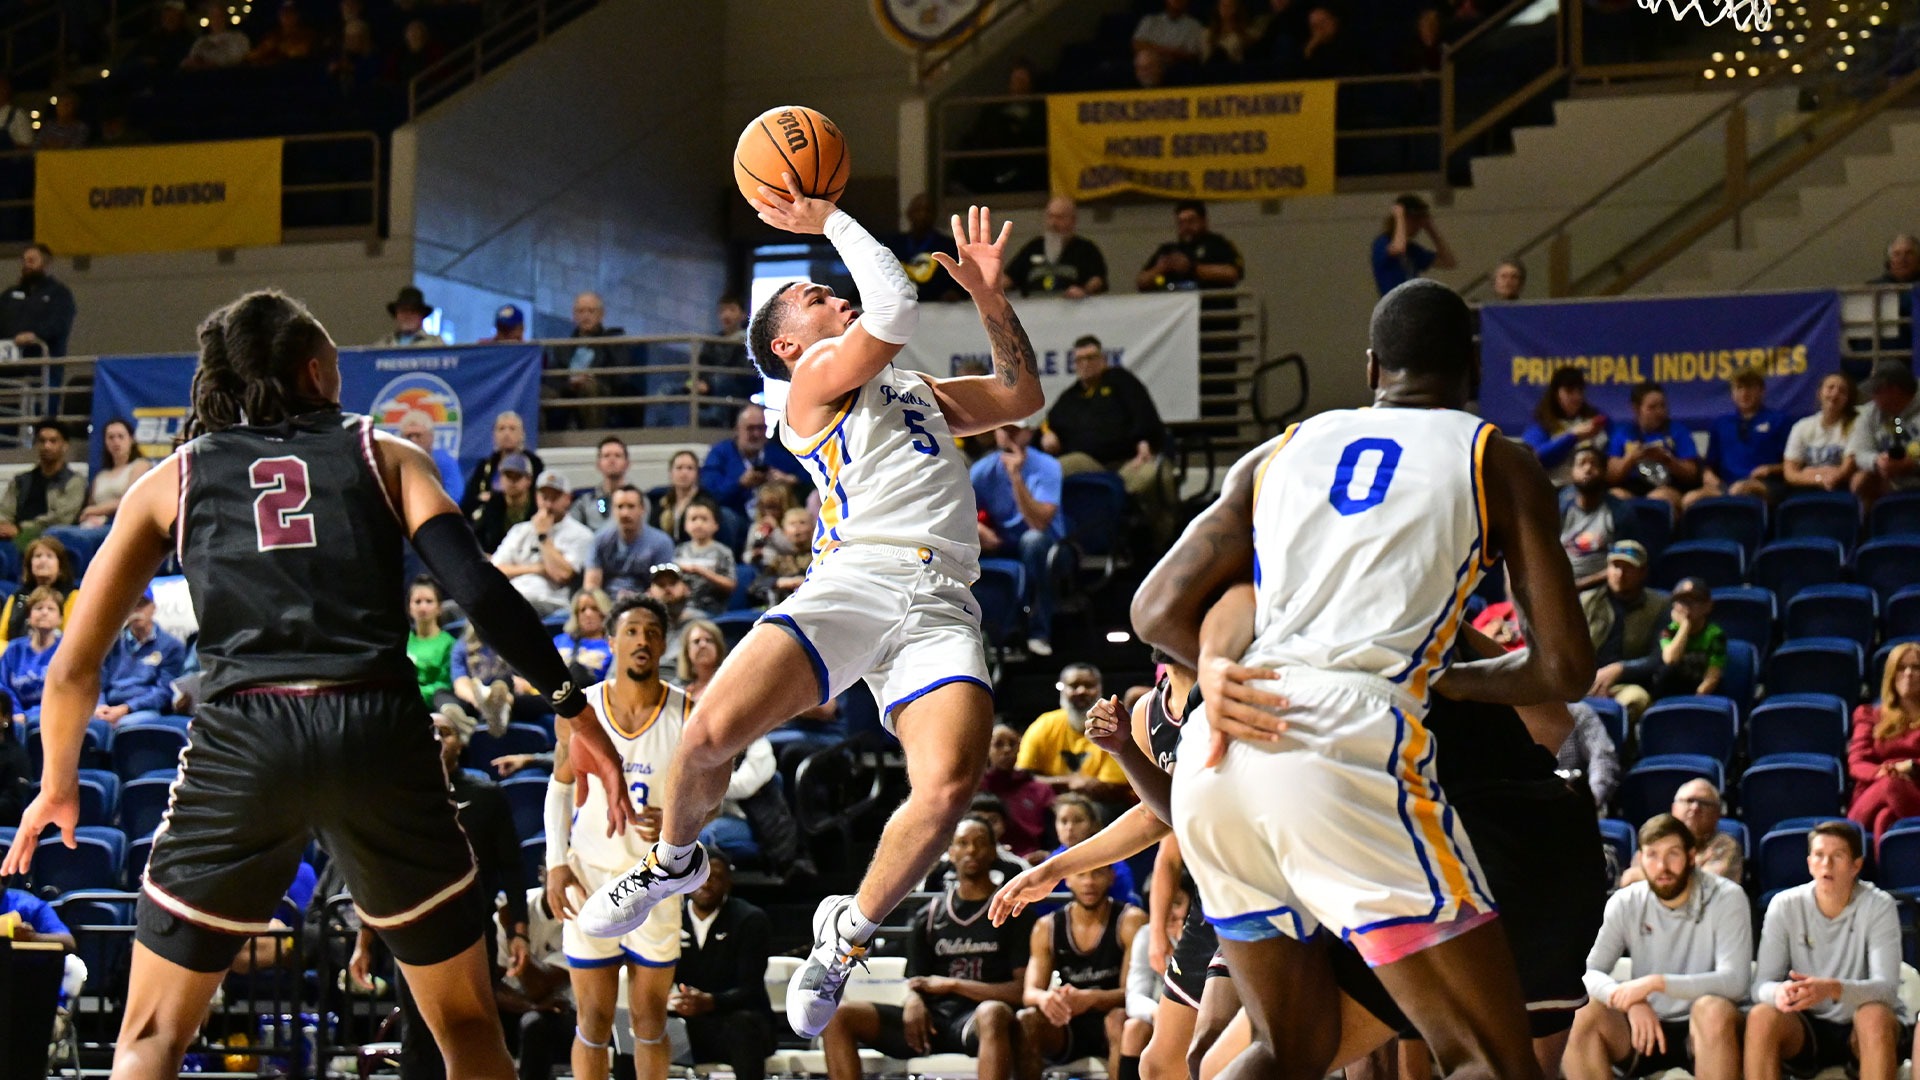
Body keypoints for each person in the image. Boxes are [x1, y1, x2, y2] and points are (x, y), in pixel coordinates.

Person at [0, 288, 634, 1080]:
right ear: (314, 370)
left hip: (245, 733)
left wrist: (58, 781)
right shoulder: (385, 453)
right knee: (469, 1026)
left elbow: (72, 665)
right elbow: (478, 588)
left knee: (150, 1038)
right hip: (377, 727)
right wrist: (573, 709)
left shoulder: (173, 479)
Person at [578, 190, 1045, 1043]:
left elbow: (1019, 397)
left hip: (942, 600)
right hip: (855, 578)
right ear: (791, 343)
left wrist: (987, 296)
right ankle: (671, 864)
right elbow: (895, 305)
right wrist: (826, 217)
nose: (837, 295)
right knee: (710, 731)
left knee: (946, 790)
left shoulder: (912, 390)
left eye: (835, 290)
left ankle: (846, 936)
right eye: (817, 298)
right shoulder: (805, 391)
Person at [1128, 278, 1595, 1080]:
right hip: (1349, 739)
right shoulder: (1495, 457)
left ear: (1372, 366)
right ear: (1473, 368)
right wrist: (1447, 680)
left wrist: (1216, 668)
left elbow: (1154, 608)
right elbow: (1566, 669)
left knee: (1287, 1048)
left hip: (1222, 752)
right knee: (1487, 1057)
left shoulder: (1278, 450)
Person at [544, 595, 689, 1080]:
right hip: (589, 872)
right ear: (610, 642)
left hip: (654, 879)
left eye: (651, 631)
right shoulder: (580, 709)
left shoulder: (687, 710)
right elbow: (560, 787)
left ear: (664, 644)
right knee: (593, 1020)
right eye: (630, 631)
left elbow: (711, 798)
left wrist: (678, 819)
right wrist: (555, 862)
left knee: (649, 1020)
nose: (641, 640)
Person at [358, 704, 532, 1080]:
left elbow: (513, 868)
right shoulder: (402, 797)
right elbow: (378, 873)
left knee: (476, 1031)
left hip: (473, 931)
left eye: (446, 731)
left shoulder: (487, 796)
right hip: (413, 932)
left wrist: (519, 931)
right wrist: (365, 939)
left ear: (462, 741)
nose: (437, 737)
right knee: (418, 1035)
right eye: (430, 730)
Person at [823, 817, 1028, 1080]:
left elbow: (1020, 991)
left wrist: (953, 985)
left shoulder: (1013, 915)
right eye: (962, 844)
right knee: (838, 1016)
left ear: (993, 851)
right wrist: (913, 1000)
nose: (971, 851)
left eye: (979, 844)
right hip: (931, 1021)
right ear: (950, 853)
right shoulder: (928, 916)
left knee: (993, 1012)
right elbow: (916, 980)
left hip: (978, 1023)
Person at [1566, 814, 1750, 1080]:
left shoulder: (1727, 897)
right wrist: (1628, 1000)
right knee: (1582, 1011)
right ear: (1640, 859)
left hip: (1704, 1032)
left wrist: (1656, 983)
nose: (1662, 866)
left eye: (1672, 854)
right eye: (1652, 855)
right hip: (1643, 1028)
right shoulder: (1625, 901)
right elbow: (1588, 971)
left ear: (1691, 856)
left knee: (1711, 1011)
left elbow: (1736, 982)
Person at [1745, 822, 1906, 1080]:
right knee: (1761, 1014)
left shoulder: (1879, 905)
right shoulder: (1784, 905)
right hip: (1806, 1026)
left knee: (1874, 1016)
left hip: (1860, 1022)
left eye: (1838, 856)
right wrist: (1779, 992)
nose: (1826, 864)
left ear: (1856, 865)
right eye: (1819, 855)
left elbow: (1886, 989)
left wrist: (1833, 989)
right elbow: (1760, 985)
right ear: (1809, 863)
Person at [1018, 863, 1145, 1080]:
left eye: (1097, 872)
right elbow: (1030, 993)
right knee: (1027, 1019)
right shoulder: (1046, 926)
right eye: (1081, 873)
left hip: (1114, 1020)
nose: (1089, 882)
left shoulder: (1131, 920)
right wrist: (1046, 998)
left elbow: (1133, 995)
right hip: (1068, 1024)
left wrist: (1090, 999)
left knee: (1120, 1019)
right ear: (1067, 879)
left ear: (1111, 877)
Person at [672, 845, 776, 1080]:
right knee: (636, 1030)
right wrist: (675, 1000)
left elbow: (750, 989)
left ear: (729, 882)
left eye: (716, 877)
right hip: (687, 1027)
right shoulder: (669, 920)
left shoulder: (750, 920)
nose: (706, 884)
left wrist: (711, 1002)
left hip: (737, 1024)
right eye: (700, 877)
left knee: (743, 1026)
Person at [972, 422, 1064, 657]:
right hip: (1003, 544)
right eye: (1004, 429)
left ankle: (1039, 632)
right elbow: (958, 509)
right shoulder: (982, 469)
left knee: (1033, 541)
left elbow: (1039, 522)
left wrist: (1015, 477)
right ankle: (986, 634)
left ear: (1029, 432)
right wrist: (978, 528)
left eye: (1016, 430)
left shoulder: (1048, 466)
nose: (1009, 435)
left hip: (1050, 547)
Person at [1042, 336, 1169, 498]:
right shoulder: (1071, 395)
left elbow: (1142, 411)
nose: (1085, 364)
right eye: (1080, 360)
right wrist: (1048, 433)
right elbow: (1049, 421)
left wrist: (1143, 443)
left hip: (1129, 459)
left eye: (1090, 358)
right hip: (1091, 463)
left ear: (1103, 360)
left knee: (1148, 477)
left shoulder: (1122, 380)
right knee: (1050, 471)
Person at [1593, 577, 1726, 721]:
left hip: (1701, 696)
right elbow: (1670, 659)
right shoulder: (1668, 631)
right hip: (1668, 695)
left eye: (1693, 601)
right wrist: (1685, 627)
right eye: (1680, 601)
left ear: (1708, 606)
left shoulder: (1715, 635)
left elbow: (1713, 675)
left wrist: (1696, 702)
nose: (1686, 607)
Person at [1017, 664, 1133, 804]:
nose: (1081, 691)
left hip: (1100, 804)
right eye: (1074, 686)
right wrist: (1070, 781)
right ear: (1062, 689)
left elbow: (1117, 786)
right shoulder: (1044, 724)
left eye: (1089, 685)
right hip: (1050, 803)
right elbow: (1023, 775)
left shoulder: (1112, 724)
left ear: (1100, 689)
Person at [491, 469, 594, 619]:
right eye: (544, 497)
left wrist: (543, 536)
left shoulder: (581, 535)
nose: (548, 503)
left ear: (567, 499)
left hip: (551, 602)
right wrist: (537, 568)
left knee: (513, 609)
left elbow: (562, 575)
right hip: (512, 596)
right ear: (536, 497)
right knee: (456, 609)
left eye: (555, 497)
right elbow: (495, 571)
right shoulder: (519, 530)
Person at [1846, 641, 1920, 844]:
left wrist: (1912, 766)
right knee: (1887, 801)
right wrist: (1883, 772)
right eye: (1901, 667)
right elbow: (1857, 762)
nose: (1908, 673)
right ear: (1891, 674)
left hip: (1916, 789)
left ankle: (1847, 841)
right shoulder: (1869, 715)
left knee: (1886, 812)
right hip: (1876, 787)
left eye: (1916, 667)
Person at [1619, 778, 1744, 886]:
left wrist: (1655, 877)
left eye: (1704, 803)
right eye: (1689, 801)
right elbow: (1630, 880)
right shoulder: (1654, 841)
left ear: (1717, 814)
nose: (1695, 808)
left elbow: (1708, 889)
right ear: (1674, 808)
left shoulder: (1725, 846)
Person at [1692, 368, 1789, 506]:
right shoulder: (1720, 424)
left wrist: (1770, 469)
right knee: (1690, 499)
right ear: (1732, 393)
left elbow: (1793, 464)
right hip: (1726, 485)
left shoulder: (1779, 420)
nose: (1744, 393)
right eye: (1739, 388)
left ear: (1762, 391)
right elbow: (1709, 464)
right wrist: (1708, 475)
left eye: (1749, 387)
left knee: (1741, 490)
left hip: (1766, 484)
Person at [1607, 381, 1702, 513]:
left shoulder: (1678, 431)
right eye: (1652, 408)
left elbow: (1692, 474)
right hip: (1631, 487)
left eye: (1663, 406)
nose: (1659, 412)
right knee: (1615, 496)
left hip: (1667, 487)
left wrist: (1668, 460)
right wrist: (1630, 459)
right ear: (1636, 409)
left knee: (1658, 498)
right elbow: (1611, 476)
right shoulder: (1623, 433)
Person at [96, 589, 187, 726]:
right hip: (109, 705)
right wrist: (100, 706)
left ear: (153, 608)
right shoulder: (111, 643)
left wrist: (126, 708)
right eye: (131, 604)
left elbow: (165, 691)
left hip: (144, 710)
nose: (136, 609)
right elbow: (98, 683)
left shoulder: (171, 646)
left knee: (124, 725)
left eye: (142, 604)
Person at [543, 292, 630, 431]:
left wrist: (591, 378)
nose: (586, 316)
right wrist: (571, 384)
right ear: (574, 316)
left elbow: (620, 378)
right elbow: (553, 379)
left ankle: (592, 438)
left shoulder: (613, 342)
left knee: (588, 386)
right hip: (568, 391)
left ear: (601, 315)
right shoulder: (562, 348)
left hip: (599, 393)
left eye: (591, 311)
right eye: (581, 311)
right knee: (541, 391)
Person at [700, 404, 801, 521]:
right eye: (751, 428)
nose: (757, 434)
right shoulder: (720, 453)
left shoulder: (775, 453)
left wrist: (788, 479)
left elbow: (806, 477)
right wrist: (740, 484)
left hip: (777, 519)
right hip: (737, 517)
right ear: (737, 429)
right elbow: (709, 493)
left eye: (761, 428)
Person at [1581, 540, 1671, 670]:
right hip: (1586, 679)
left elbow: (1659, 657)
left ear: (1643, 572)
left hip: (1630, 681)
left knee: (1636, 692)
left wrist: (1622, 670)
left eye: (1628, 568)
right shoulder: (1587, 601)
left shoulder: (1660, 605)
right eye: (1616, 566)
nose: (1620, 574)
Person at [1560, 447, 1640, 591]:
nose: (1588, 468)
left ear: (1604, 472)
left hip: (1602, 589)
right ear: (1571, 472)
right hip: (1559, 587)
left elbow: (1625, 565)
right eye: (1581, 463)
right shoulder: (1558, 507)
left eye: (1593, 464)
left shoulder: (1620, 512)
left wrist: (1578, 586)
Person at [0, 418, 86, 549]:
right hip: (12, 534)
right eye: (42, 441)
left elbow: (62, 519)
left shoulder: (74, 481)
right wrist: (4, 525)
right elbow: (5, 510)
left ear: (65, 445)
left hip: (47, 537)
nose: (47, 446)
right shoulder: (21, 480)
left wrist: (20, 529)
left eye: (53, 441)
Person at [1846, 359, 1920, 507]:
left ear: (1894, 390)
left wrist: (1912, 464)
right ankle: (1869, 527)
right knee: (1861, 480)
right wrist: (1877, 462)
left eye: (1876, 391)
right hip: (1887, 480)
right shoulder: (1870, 413)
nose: (1872, 396)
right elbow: (1860, 452)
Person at [1003, 196, 1108, 298]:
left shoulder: (1087, 250)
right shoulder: (1033, 247)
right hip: (1034, 311)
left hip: (1072, 311)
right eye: (1050, 216)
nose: (1053, 223)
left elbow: (1097, 280)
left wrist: (1084, 291)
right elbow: (1009, 278)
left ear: (1073, 220)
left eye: (1059, 218)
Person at [1521, 367, 1608, 488]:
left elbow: (1612, 452)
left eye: (1580, 391)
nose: (1577, 397)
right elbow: (1537, 457)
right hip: (1555, 489)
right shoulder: (1542, 423)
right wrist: (1573, 437)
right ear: (1556, 393)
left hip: (1592, 490)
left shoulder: (1594, 419)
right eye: (1569, 391)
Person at [582, 486, 674, 599]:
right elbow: (591, 586)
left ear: (642, 509)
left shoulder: (661, 542)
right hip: (607, 606)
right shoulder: (599, 540)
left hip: (647, 604)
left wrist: (635, 599)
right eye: (620, 507)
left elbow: (664, 588)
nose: (625, 513)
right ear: (613, 510)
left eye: (631, 506)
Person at [980, 722, 1055, 859]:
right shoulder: (975, 789)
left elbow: (1052, 840)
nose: (1007, 749)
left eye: (1012, 744)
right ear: (986, 748)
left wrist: (1048, 854)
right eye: (999, 744)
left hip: (1030, 862)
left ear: (1020, 747)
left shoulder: (1040, 790)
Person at [1137, 200, 1244, 291]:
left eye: (1191, 221)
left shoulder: (1218, 244)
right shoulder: (1168, 250)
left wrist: (1192, 268)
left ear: (1204, 221)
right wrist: (1161, 269)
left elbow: (1233, 274)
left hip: (1213, 311)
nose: (1186, 227)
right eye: (1181, 222)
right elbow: (1141, 282)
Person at [1783, 372, 1859, 496]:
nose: (1835, 394)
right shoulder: (1801, 426)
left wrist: (1809, 472)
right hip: (1806, 489)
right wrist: (1818, 479)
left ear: (1847, 399)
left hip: (1840, 488)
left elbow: (1846, 470)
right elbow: (1790, 474)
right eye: (1830, 388)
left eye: (1842, 391)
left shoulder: (1856, 426)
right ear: (1819, 394)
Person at [460, 411, 544, 517]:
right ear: (494, 435)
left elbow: (539, 498)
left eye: (512, 429)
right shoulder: (485, 465)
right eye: (501, 429)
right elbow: (467, 503)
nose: (506, 433)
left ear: (522, 434)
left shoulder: (534, 464)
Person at [1370, 194, 1458, 297]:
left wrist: (1431, 230)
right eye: (1414, 220)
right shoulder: (1382, 243)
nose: (1418, 225)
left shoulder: (1412, 249)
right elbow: (1399, 248)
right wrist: (1399, 216)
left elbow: (1448, 261)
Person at [0, 244, 77, 358]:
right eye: (24, 261)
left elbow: (59, 324)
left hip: (42, 366)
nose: (26, 265)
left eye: (31, 261)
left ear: (46, 264)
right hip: (8, 365)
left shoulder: (59, 293)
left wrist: (35, 335)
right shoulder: (9, 294)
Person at [887, 194, 964, 303]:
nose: (922, 215)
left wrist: (955, 292)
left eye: (928, 211)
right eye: (918, 210)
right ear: (909, 213)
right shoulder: (894, 245)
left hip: (936, 309)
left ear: (934, 215)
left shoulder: (948, 246)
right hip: (901, 306)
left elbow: (961, 282)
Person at [0, 588, 62, 724]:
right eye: (38, 608)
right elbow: (3, 685)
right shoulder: (14, 649)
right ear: (29, 616)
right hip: (16, 718)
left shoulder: (65, 650)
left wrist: (31, 715)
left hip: (55, 717)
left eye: (51, 609)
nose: (44, 612)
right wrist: (15, 712)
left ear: (60, 618)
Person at [409, 576, 465, 719]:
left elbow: (445, 684)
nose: (423, 607)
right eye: (417, 602)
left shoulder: (449, 643)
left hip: (436, 707)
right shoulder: (403, 641)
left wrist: (418, 693)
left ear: (439, 608)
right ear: (409, 607)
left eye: (429, 601)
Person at [0, 536, 78, 639]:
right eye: (37, 556)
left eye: (49, 556)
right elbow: (1, 638)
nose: (43, 560)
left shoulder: (73, 596)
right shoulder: (17, 596)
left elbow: (72, 639)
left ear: (60, 567)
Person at [673, 500, 737, 617]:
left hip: (710, 609)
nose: (698, 524)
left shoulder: (722, 552)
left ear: (716, 525)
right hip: (680, 605)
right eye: (693, 519)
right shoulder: (680, 550)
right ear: (685, 525)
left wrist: (703, 572)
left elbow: (731, 585)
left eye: (704, 519)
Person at [1556, 699, 1621, 811]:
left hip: (1581, 802)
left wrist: (1593, 799)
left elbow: (1602, 758)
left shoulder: (1579, 712)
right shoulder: (1517, 721)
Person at [472, 451, 536, 556]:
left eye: (517, 477)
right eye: (508, 476)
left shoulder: (537, 506)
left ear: (529, 480)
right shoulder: (492, 504)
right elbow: (478, 535)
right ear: (501, 478)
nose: (512, 482)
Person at [748, 507, 814, 608]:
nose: (797, 528)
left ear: (813, 528)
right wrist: (780, 582)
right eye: (792, 524)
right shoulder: (777, 558)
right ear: (783, 530)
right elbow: (755, 587)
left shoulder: (821, 556)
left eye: (802, 523)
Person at [569, 437, 631, 534]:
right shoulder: (584, 503)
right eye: (606, 456)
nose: (612, 460)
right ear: (598, 464)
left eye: (618, 456)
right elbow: (571, 533)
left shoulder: (640, 501)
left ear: (627, 464)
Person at [555, 588, 614, 685]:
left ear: (604, 613)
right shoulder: (559, 640)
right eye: (582, 610)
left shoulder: (613, 645)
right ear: (576, 615)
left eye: (594, 608)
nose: (588, 614)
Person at [397, 410, 462, 496]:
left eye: (418, 435)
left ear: (431, 437)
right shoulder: (394, 461)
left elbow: (455, 494)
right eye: (409, 436)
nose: (413, 440)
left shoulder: (443, 461)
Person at [654, 450, 710, 543]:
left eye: (690, 468)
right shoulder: (660, 500)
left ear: (697, 473)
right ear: (670, 473)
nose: (684, 473)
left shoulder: (706, 501)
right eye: (679, 468)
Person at [376, 285, 448, 348]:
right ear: (396, 315)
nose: (408, 316)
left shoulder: (437, 344)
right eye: (403, 310)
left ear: (422, 315)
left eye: (413, 311)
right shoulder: (382, 346)